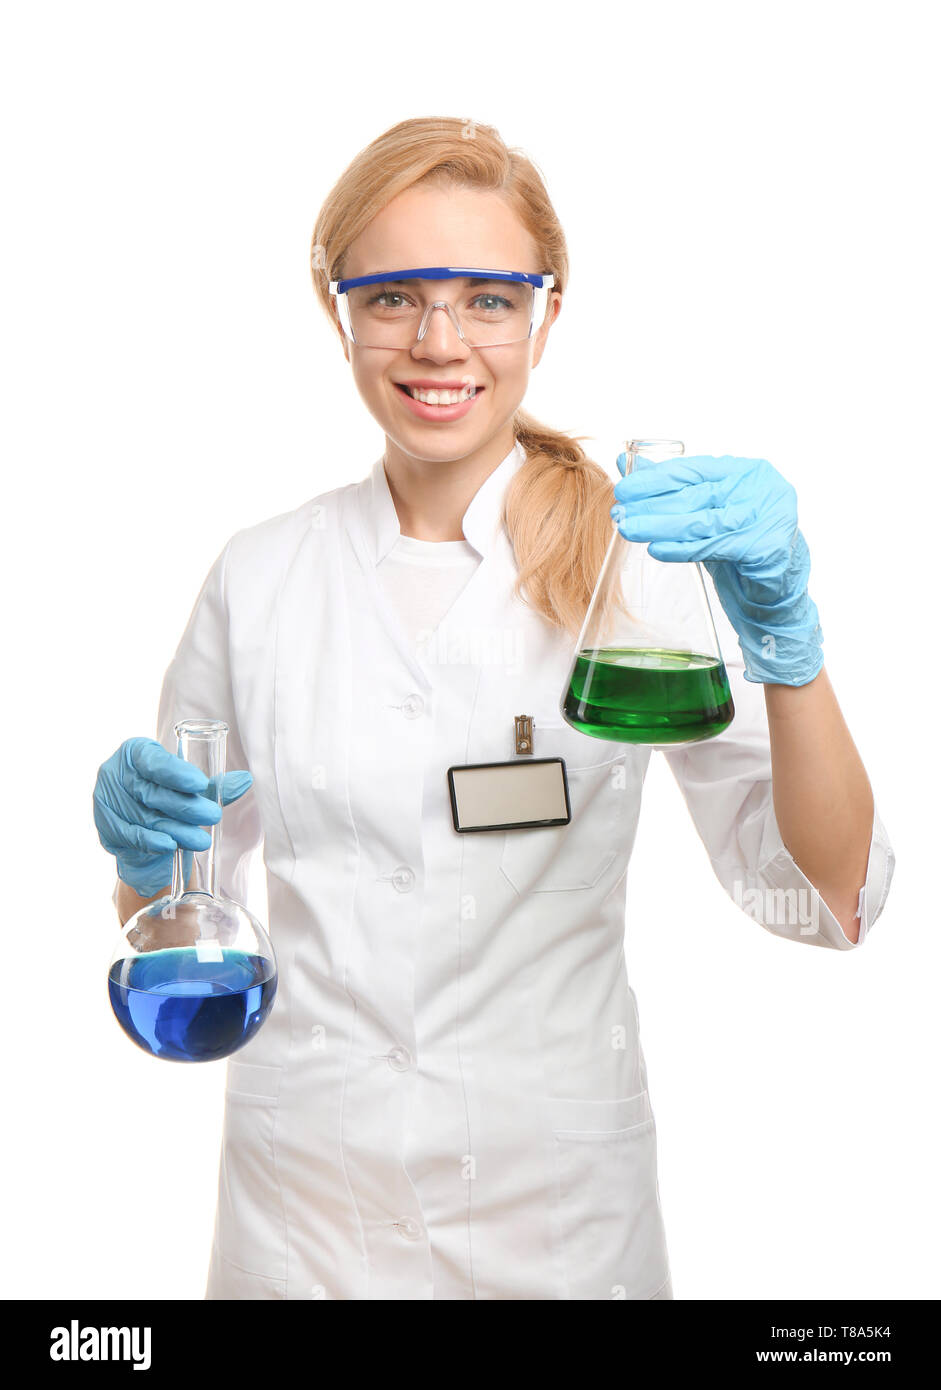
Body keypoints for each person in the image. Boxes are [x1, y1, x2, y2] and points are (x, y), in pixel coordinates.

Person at [93, 116, 895, 1301]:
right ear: (338, 312)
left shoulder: (640, 565)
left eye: (485, 298)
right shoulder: (257, 577)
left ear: (545, 314)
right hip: (303, 1218)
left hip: (557, 1224)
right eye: (393, 297)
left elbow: (828, 896)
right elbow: (175, 902)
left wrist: (788, 648)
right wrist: (143, 850)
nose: (437, 341)